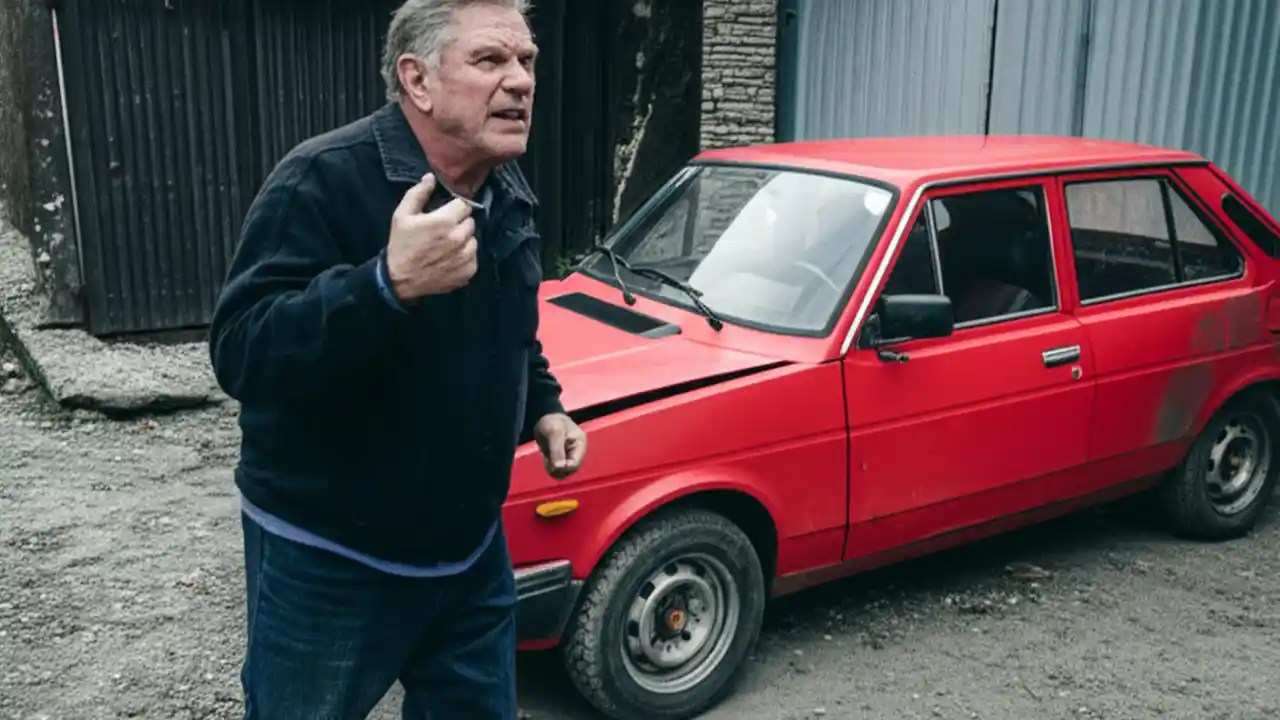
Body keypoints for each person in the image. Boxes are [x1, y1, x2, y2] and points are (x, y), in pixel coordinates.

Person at [207, 0, 586, 717]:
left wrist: (542, 404)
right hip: (330, 558)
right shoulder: (321, 179)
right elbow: (242, 351)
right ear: (417, 80)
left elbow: (511, 326)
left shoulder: (503, 190)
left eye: (527, 60)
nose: (521, 81)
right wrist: (384, 286)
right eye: (490, 60)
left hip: (470, 555)